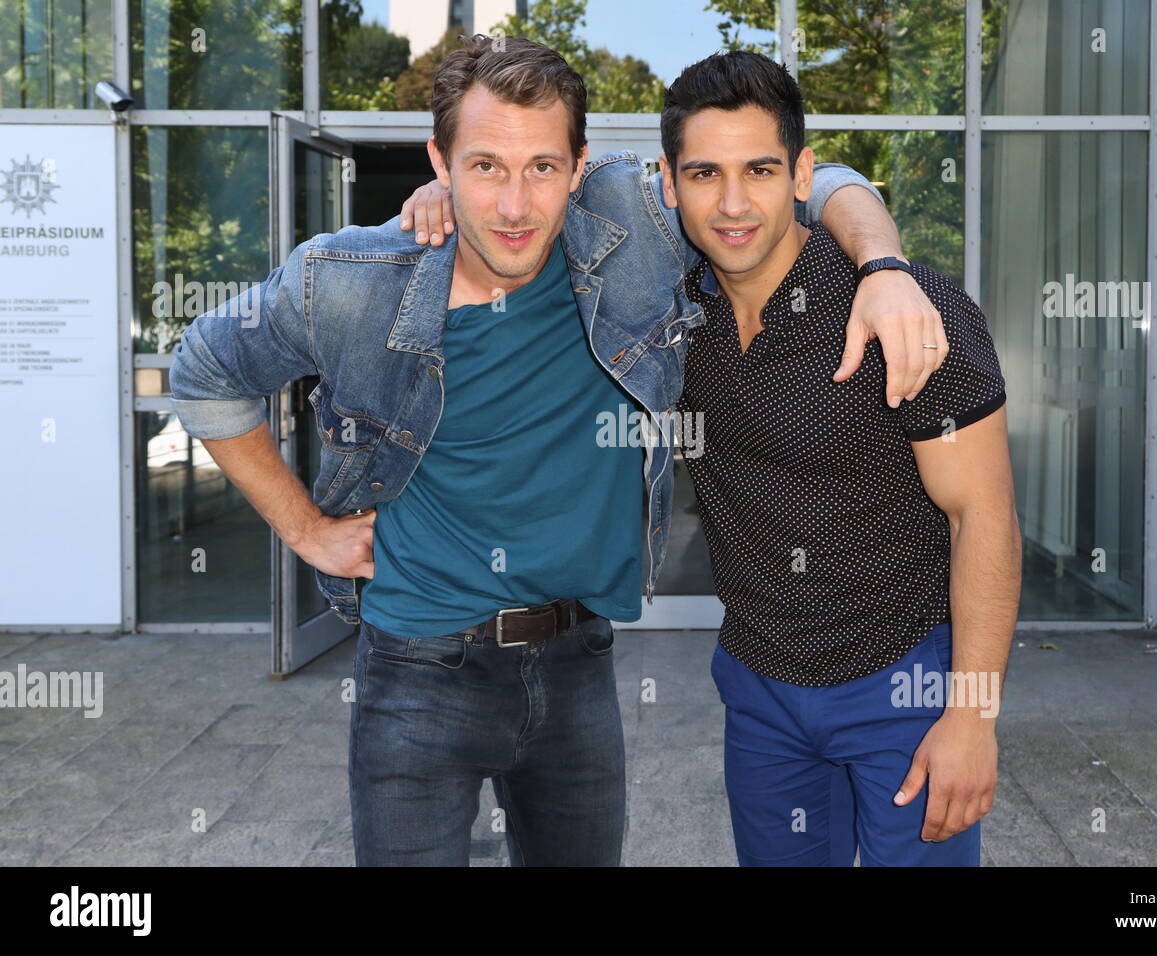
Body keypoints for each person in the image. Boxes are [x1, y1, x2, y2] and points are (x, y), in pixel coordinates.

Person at [169, 35, 939, 867]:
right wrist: (305, 528)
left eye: (541, 167)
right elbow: (203, 371)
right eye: (484, 167)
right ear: (440, 162)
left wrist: (885, 265)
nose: (513, 204)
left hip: (578, 665)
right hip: (418, 671)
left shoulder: (630, 234)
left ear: (579, 169)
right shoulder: (351, 283)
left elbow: (807, 182)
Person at [662, 51, 1021, 865]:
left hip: (904, 686)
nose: (731, 203)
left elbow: (984, 517)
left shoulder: (908, 313)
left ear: (802, 174)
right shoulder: (674, 316)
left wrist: (972, 715)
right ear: (669, 181)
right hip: (758, 688)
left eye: (759, 169)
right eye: (703, 174)